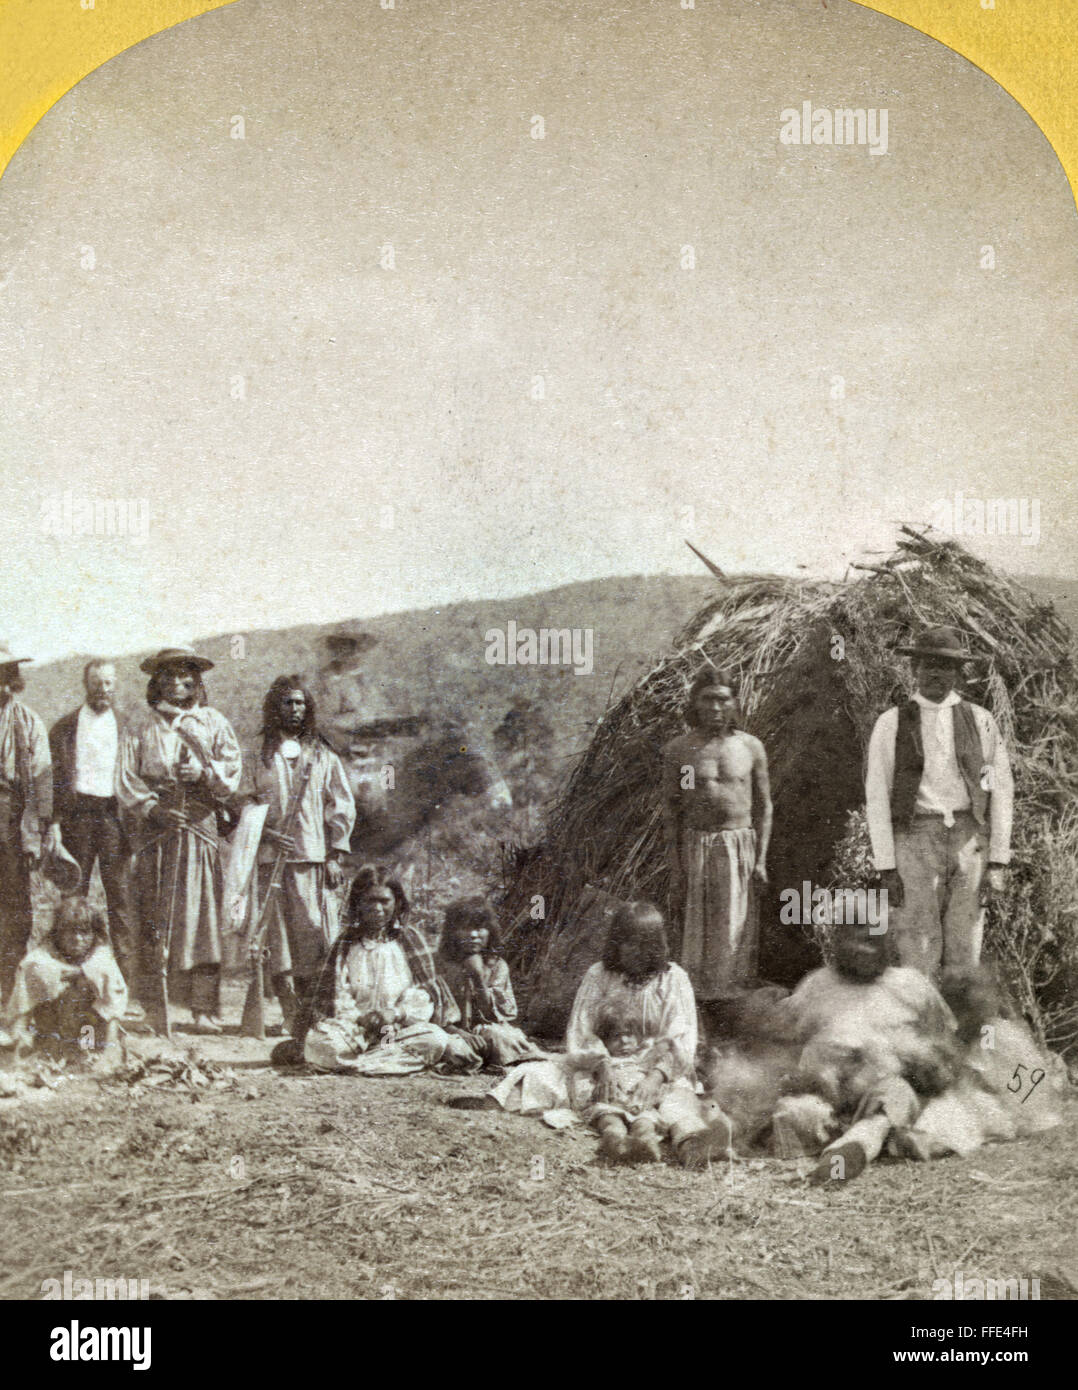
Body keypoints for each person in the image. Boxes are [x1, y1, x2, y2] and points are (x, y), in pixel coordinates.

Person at [486, 901, 734, 1167]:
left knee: (674, 1101)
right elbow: (581, 1030)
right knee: (543, 1075)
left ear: (658, 946)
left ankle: (691, 1146)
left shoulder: (673, 978)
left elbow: (681, 1038)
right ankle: (616, 1139)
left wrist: (656, 1076)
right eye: (630, 944)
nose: (638, 952)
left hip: (659, 1068)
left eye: (646, 945)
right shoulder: (599, 975)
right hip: (601, 1062)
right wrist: (602, 1065)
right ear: (616, 943)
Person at [865, 625, 1013, 977]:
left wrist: (997, 861)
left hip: (968, 839)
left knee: (966, 941)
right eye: (927, 664)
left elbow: (1001, 789)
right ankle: (922, 1025)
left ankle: (961, 1026)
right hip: (916, 839)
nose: (935, 673)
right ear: (913, 669)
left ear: (958, 673)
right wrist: (886, 865)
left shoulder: (981, 721)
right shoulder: (892, 723)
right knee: (917, 942)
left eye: (945, 666)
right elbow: (876, 794)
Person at [765, 921, 960, 1184]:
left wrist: (905, 1059)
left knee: (894, 1097)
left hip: (883, 1092)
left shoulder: (912, 984)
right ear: (837, 944)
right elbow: (785, 1040)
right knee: (790, 1113)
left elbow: (944, 1046)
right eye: (854, 938)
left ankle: (854, 1148)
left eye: (872, 939)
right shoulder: (817, 984)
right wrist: (814, 1076)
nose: (864, 948)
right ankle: (846, 1149)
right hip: (826, 1098)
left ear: (888, 942)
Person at [115, 647, 242, 1035]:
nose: (178, 682)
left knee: (202, 917)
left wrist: (203, 772)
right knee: (156, 915)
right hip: (158, 831)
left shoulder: (213, 722)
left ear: (196, 682)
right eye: (169, 675)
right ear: (157, 682)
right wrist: (153, 809)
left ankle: (203, 1008)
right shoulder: (141, 724)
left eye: (186, 675)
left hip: (199, 825)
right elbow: (125, 777)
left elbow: (231, 772)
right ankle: (155, 1008)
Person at [661, 667, 772, 1020]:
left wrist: (761, 861)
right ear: (695, 702)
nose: (715, 708)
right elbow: (672, 813)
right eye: (707, 699)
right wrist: (677, 869)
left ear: (735, 703)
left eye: (723, 699)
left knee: (734, 932)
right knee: (699, 933)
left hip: (740, 846)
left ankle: (732, 1011)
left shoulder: (750, 747)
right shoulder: (681, 751)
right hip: (698, 846)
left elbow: (765, 806)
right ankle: (699, 1015)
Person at [245, 676, 354, 1032]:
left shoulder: (321, 753)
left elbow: (341, 803)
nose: (294, 710)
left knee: (312, 932)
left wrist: (335, 854)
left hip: (311, 857)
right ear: (274, 708)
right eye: (287, 703)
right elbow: (243, 801)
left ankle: (314, 1014)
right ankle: (288, 1013)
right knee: (275, 938)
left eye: (300, 703)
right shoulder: (258, 754)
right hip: (268, 860)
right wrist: (266, 832)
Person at [299, 864, 468, 1073]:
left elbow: (425, 994)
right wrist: (359, 1018)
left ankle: (357, 1064)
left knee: (435, 1039)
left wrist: (395, 1013)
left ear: (397, 903)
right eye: (370, 900)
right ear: (358, 904)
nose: (377, 908)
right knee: (322, 1041)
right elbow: (336, 991)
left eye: (384, 901)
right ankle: (383, 1064)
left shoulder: (409, 940)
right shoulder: (346, 944)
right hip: (354, 1029)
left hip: (395, 1030)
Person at [894, 967, 1065, 1160]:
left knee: (954, 1105)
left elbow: (979, 1076)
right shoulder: (993, 1028)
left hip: (1012, 1106)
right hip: (1016, 1100)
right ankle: (926, 1137)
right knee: (954, 1103)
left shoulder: (989, 1032)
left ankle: (930, 1140)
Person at [48, 661, 134, 986]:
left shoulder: (126, 727)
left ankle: (123, 985)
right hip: (77, 818)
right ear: (86, 685)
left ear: (115, 685)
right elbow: (56, 781)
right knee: (73, 898)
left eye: (109, 683)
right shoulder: (65, 728)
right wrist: (54, 824)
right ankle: (67, 977)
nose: (103, 690)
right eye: (97, 683)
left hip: (114, 817)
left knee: (121, 900)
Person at [0, 649, 60, 1003]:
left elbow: (42, 780)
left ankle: (7, 991)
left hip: (12, 819)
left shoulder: (26, 721)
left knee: (14, 909)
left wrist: (41, 829)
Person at [3, 896, 126, 1064]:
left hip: (87, 1029)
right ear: (58, 933)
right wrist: (18, 1037)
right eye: (70, 931)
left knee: (87, 1049)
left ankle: (86, 1051)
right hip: (53, 1027)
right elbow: (24, 998)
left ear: (94, 933)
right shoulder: (42, 956)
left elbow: (113, 1003)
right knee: (34, 970)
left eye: (84, 932)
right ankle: (49, 1048)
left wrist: (111, 1046)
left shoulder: (101, 957)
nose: (77, 939)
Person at [437, 897, 544, 1070]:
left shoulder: (497, 966)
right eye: (465, 928)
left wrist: (478, 977)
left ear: (490, 931)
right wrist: (460, 1033)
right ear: (452, 933)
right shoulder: (440, 965)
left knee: (502, 1036)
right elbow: (434, 1013)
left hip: (486, 1032)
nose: (473, 935)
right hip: (450, 1032)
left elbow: (496, 1016)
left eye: (479, 928)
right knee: (443, 1044)